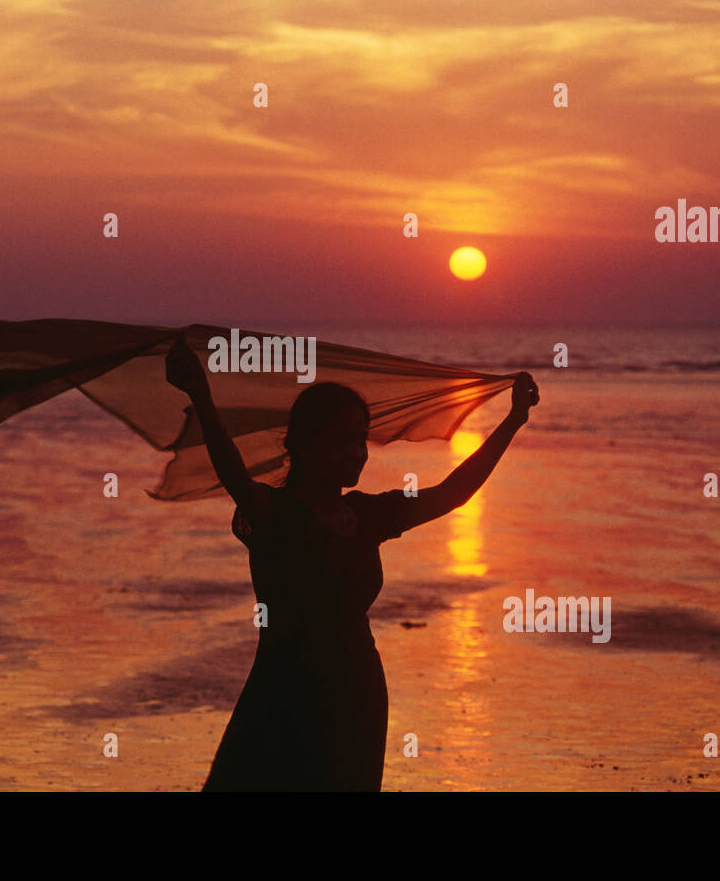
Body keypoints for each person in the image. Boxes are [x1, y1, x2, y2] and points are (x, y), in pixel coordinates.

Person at [164, 332, 538, 790]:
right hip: (285, 692)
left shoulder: (366, 514)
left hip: (357, 691)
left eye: (361, 440)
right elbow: (233, 471)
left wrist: (513, 420)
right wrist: (201, 396)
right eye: (342, 441)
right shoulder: (274, 514)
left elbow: (452, 493)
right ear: (302, 446)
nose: (357, 452)